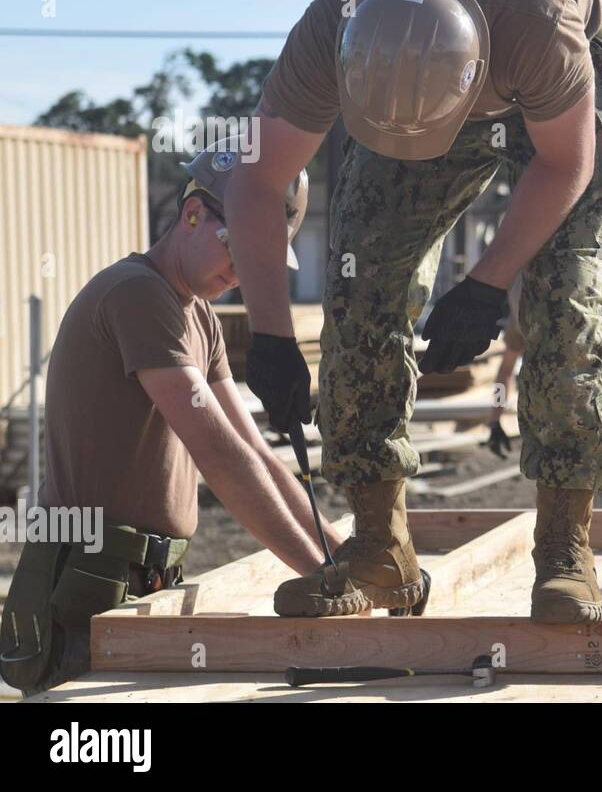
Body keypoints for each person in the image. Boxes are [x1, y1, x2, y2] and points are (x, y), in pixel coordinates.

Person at [222, 0, 602, 623]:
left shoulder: (537, 22)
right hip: (420, 81)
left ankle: (566, 550)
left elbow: (567, 164)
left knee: (563, 297)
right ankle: (381, 550)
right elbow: (256, 184)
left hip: (558, 99)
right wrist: (270, 337)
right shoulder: (337, 30)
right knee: (363, 287)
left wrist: (486, 284)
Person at [0, 143, 346, 697]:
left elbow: (252, 450)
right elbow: (218, 455)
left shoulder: (199, 315)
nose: (244, 271)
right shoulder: (139, 294)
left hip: (141, 576)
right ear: (192, 215)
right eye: (239, 248)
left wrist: (341, 556)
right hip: (88, 580)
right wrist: (318, 575)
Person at [485, 275, 602, 459]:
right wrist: (495, 420)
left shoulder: (592, 312)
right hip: (567, 426)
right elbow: (505, 374)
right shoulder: (524, 319)